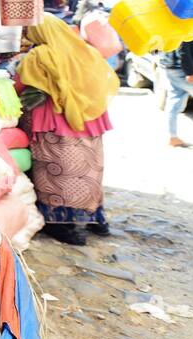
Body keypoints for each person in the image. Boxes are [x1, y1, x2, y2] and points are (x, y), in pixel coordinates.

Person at [16, 14, 120, 246]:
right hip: (89, 118)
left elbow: (21, 84)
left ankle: (65, 227)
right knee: (88, 171)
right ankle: (95, 220)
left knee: (57, 172)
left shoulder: (40, 55)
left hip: (54, 119)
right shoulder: (86, 51)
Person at [163, 37, 193, 147]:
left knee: (174, 101)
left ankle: (172, 137)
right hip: (182, 69)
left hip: (171, 67)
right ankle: (172, 137)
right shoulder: (185, 23)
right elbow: (183, 47)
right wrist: (190, 72)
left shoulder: (169, 24)